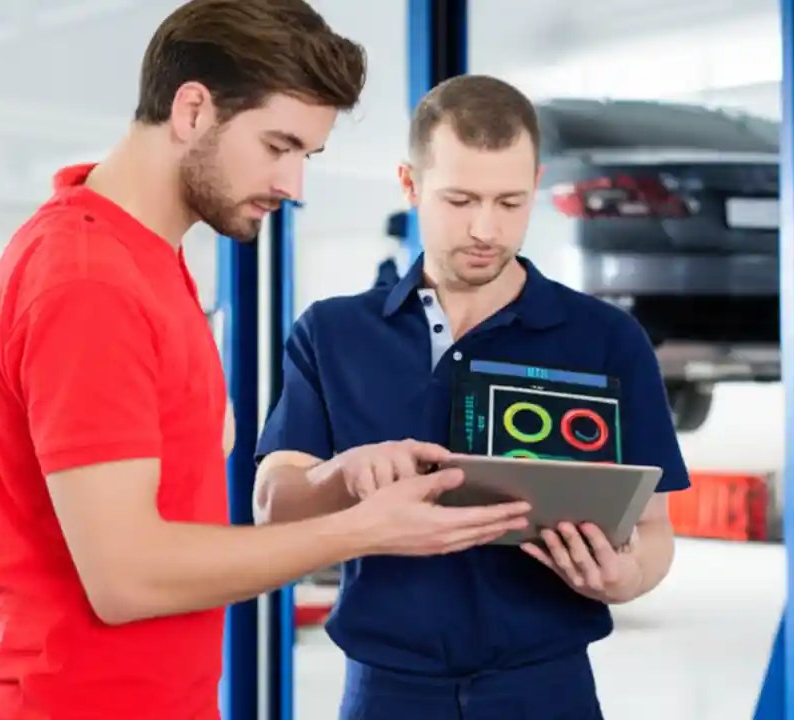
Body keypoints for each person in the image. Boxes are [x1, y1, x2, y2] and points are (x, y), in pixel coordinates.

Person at [0, 4, 530, 719]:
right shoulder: (88, 280)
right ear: (193, 109)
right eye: (278, 145)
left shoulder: (146, 262)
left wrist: (338, 479)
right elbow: (127, 576)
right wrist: (368, 529)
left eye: (307, 157)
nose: (294, 185)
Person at [254, 74, 691, 719]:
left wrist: (627, 579)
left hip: (547, 689)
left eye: (510, 203)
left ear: (536, 186)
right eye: (459, 200)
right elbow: (272, 506)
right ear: (410, 184)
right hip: (386, 692)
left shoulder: (607, 339)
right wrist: (341, 476)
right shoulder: (332, 332)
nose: (486, 228)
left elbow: (653, 529)